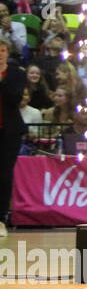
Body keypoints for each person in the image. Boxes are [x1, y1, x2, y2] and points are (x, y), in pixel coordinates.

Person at [0, 40, 27, 237]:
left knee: (4, 174)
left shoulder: (17, 74)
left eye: (2, 50)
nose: (0, 54)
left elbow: (14, 98)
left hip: (8, 131)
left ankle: (1, 218)